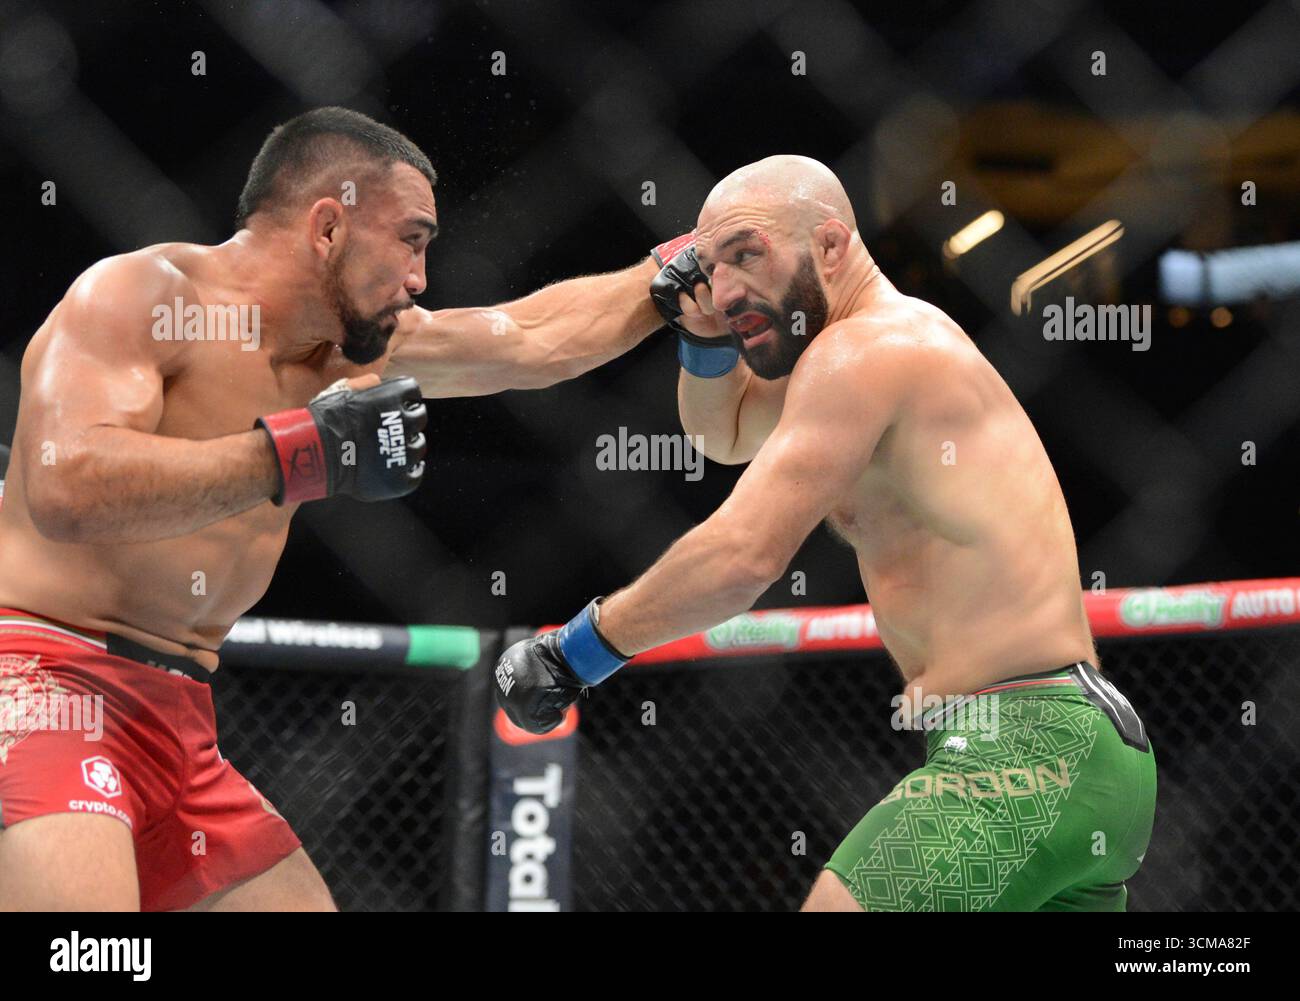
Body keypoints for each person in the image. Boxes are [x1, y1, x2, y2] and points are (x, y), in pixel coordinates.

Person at [0, 106, 685, 911]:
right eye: (413, 239)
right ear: (328, 227)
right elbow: (63, 484)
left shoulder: (352, 351)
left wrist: (671, 274)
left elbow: (532, 339)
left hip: (180, 715)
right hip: (45, 676)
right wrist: (292, 453)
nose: (421, 278)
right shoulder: (144, 295)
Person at [494, 155, 1158, 912]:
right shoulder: (866, 358)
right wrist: (706, 342)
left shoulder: (865, 352)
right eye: (710, 269)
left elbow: (742, 556)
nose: (728, 287)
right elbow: (728, 431)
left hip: (1028, 747)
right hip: (1074, 753)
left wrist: (572, 651)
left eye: (748, 254)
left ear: (833, 247)